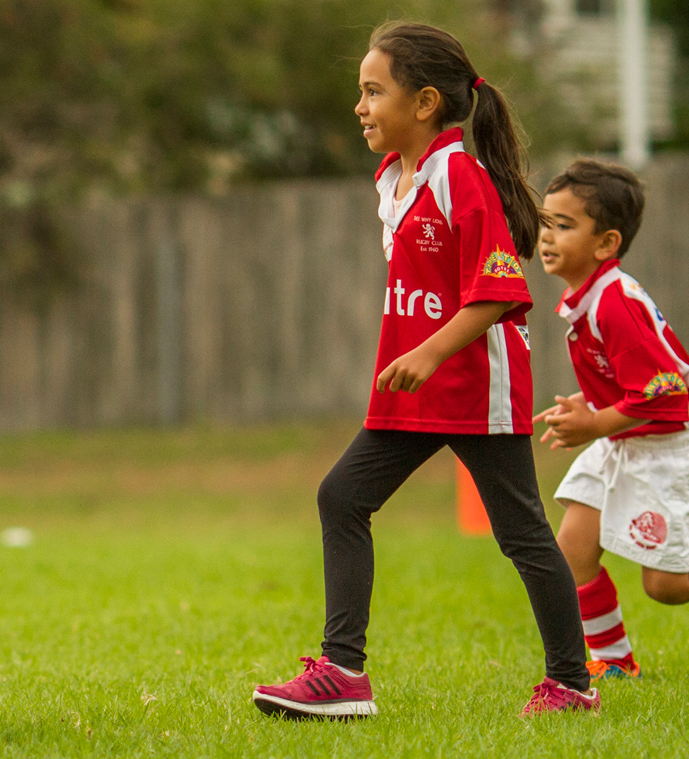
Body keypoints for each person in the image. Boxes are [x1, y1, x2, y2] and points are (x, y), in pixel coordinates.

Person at [253, 21, 595, 720]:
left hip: (477, 389)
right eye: (360, 92)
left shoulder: (458, 177)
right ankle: (344, 673)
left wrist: (430, 351)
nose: (360, 106)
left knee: (523, 535)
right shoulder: (396, 179)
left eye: (374, 91)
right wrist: (416, 357)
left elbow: (500, 291)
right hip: (421, 388)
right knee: (342, 497)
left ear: (426, 103)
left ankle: (572, 686)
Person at [535, 159, 689, 680]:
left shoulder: (615, 303)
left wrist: (593, 425)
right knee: (573, 550)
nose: (547, 236)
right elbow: (631, 380)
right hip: (624, 441)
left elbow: (666, 392)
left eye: (564, 224)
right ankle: (614, 661)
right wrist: (586, 406)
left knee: (665, 587)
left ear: (606, 243)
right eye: (545, 221)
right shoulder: (589, 298)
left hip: (666, 445)